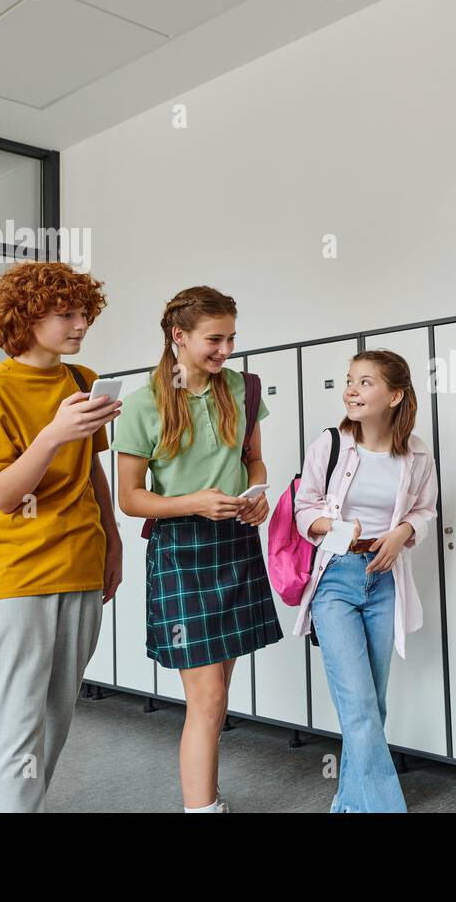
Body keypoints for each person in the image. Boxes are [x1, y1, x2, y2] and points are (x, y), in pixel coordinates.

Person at [113, 286, 283, 813]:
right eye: (214, 339)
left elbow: (254, 463)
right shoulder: (143, 405)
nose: (225, 349)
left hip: (234, 540)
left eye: (232, 337)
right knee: (207, 699)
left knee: (216, 695)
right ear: (178, 336)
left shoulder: (244, 389)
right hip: (182, 553)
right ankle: (202, 809)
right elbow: (130, 500)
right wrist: (192, 502)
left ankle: (207, 799)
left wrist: (258, 496)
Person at [0, 260, 122, 812]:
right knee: (15, 719)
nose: (80, 325)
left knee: (57, 714)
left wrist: (114, 542)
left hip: (80, 559)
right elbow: (4, 494)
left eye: (84, 313)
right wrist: (55, 434)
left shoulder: (81, 380)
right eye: (65, 314)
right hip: (16, 572)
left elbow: (94, 471)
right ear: (27, 318)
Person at [292, 349, 438, 812]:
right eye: (350, 380)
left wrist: (402, 533)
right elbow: (302, 508)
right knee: (357, 705)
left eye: (366, 382)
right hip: (336, 578)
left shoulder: (415, 453)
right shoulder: (331, 443)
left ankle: (350, 804)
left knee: (372, 704)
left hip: (384, 581)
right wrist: (333, 529)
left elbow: (425, 510)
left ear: (395, 395)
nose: (352, 390)